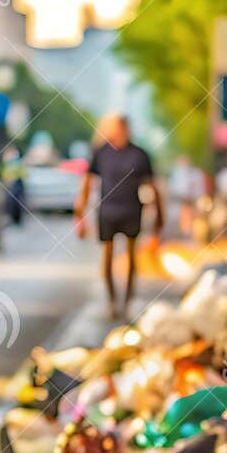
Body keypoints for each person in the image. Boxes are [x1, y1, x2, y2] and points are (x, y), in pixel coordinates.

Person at [75, 113, 163, 319]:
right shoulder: (101, 152)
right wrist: (80, 210)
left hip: (132, 210)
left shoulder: (140, 155)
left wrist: (159, 214)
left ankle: (128, 300)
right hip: (107, 211)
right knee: (107, 257)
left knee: (132, 257)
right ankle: (112, 299)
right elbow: (88, 181)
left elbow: (152, 186)